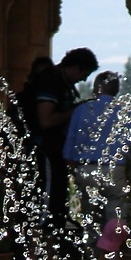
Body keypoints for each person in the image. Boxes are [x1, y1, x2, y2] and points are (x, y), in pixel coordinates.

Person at [34, 47, 98, 229]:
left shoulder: (60, 82)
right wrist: (76, 110)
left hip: (56, 152)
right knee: (48, 202)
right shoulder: (51, 81)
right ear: (76, 68)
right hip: (46, 151)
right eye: (84, 74)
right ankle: (45, 239)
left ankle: (55, 236)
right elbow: (45, 120)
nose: (84, 80)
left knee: (58, 199)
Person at [62, 70, 131, 234]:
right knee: (116, 220)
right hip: (115, 170)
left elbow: (70, 144)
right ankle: (112, 257)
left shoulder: (82, 110)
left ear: (96, 89)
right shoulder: (125, 112)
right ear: (116, 90)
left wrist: (74, 168)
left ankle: (92, 256)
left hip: (87, 169)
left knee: (91, 220)